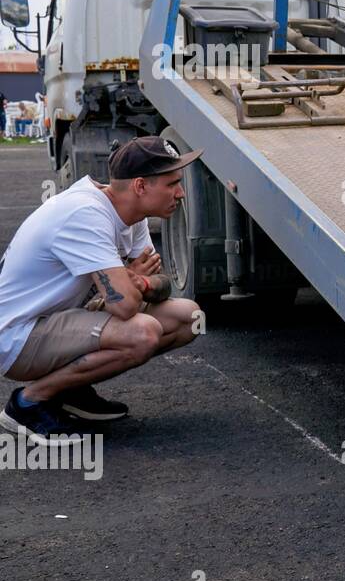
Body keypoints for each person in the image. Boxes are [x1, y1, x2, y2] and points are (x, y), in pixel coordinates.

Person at [0, 136, 203, 445]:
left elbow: (161, 284)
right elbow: (124, 307)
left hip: (55, 322)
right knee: (142, 332)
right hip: (17, 336)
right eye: (172, 184)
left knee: (188, 316)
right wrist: (128, 282)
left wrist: (140, 282)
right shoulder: (85, 213)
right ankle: (28, 403)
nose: (181, 193)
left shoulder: (129, 214)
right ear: (140, 186)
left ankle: (68, 391)